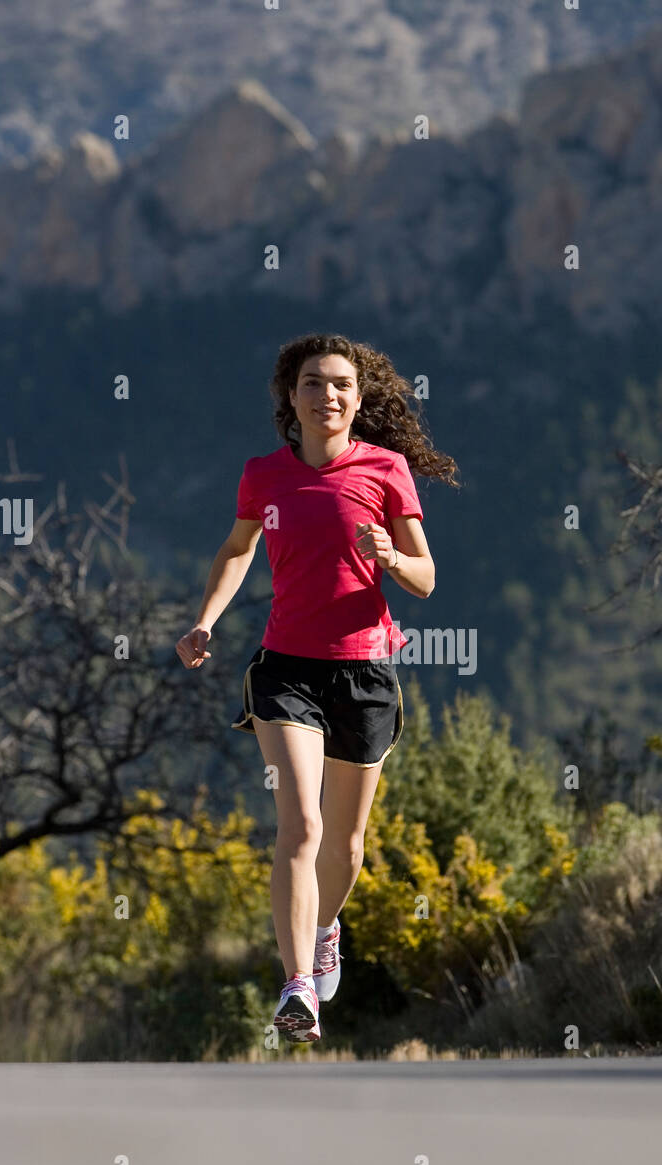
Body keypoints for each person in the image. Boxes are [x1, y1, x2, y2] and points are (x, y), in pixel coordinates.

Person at [175, 332, 458, 1043]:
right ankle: (298, 985)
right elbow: (238, 549)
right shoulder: (264, 475)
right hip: (286, 670)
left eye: (340, 385)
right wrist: (206, 621)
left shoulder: (387, 470)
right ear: (290, 398)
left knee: (348, 845)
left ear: (358, 401)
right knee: (301, 826)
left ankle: (326, 927)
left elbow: (425, 580)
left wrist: (392, 556)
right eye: (311, 383)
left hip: (364, 671)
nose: (326, 395)